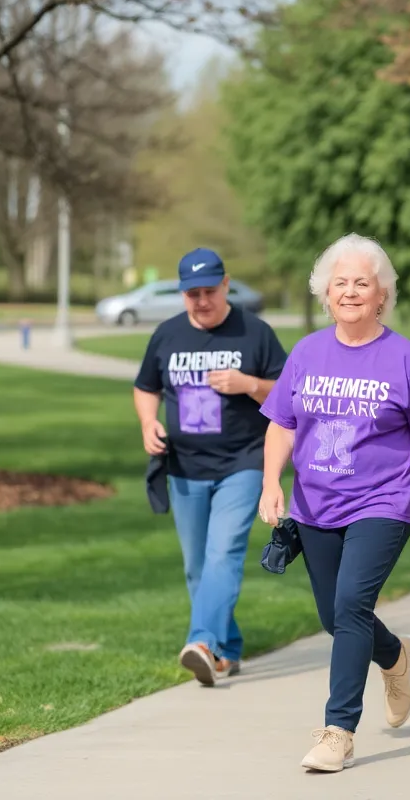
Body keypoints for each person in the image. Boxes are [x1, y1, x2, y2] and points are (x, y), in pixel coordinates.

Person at [258, 233, 410, 773]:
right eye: (339, 283)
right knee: (336, 616)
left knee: (349, 609)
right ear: (325, 294)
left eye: (361, 284)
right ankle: (395, 655)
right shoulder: (307, 352)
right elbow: (281, 423)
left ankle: (338, 730)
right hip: (314, 506)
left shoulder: (406, 359)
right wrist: (271, 481)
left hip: (383, 503)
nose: (349, 292)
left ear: (381, 295)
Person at [133, 247, 288, 686]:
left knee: (224, 554)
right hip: (184, 466)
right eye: (191, 293)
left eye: (209, 291)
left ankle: (201, 642)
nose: (201, 301)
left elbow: (288, 396)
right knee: (198, 567)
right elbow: (145, 386)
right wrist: (148, 422)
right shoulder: (167, 335)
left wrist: (250, 384)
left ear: (226, 284)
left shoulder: (255, 333)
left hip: (243, 462)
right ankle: (228, 650)